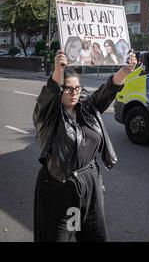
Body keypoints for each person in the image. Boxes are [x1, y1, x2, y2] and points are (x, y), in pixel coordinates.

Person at [33, 48, 137, 242]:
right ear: (59, 91)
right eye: (68, 88)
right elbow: (48, 94)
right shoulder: (48, 114)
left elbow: (108, 90)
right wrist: (58, 70)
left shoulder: (87, 108)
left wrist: (126, 69)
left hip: (89, 185)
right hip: (60, 188)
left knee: (94, 236)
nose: (74, 93)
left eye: (77, 88)